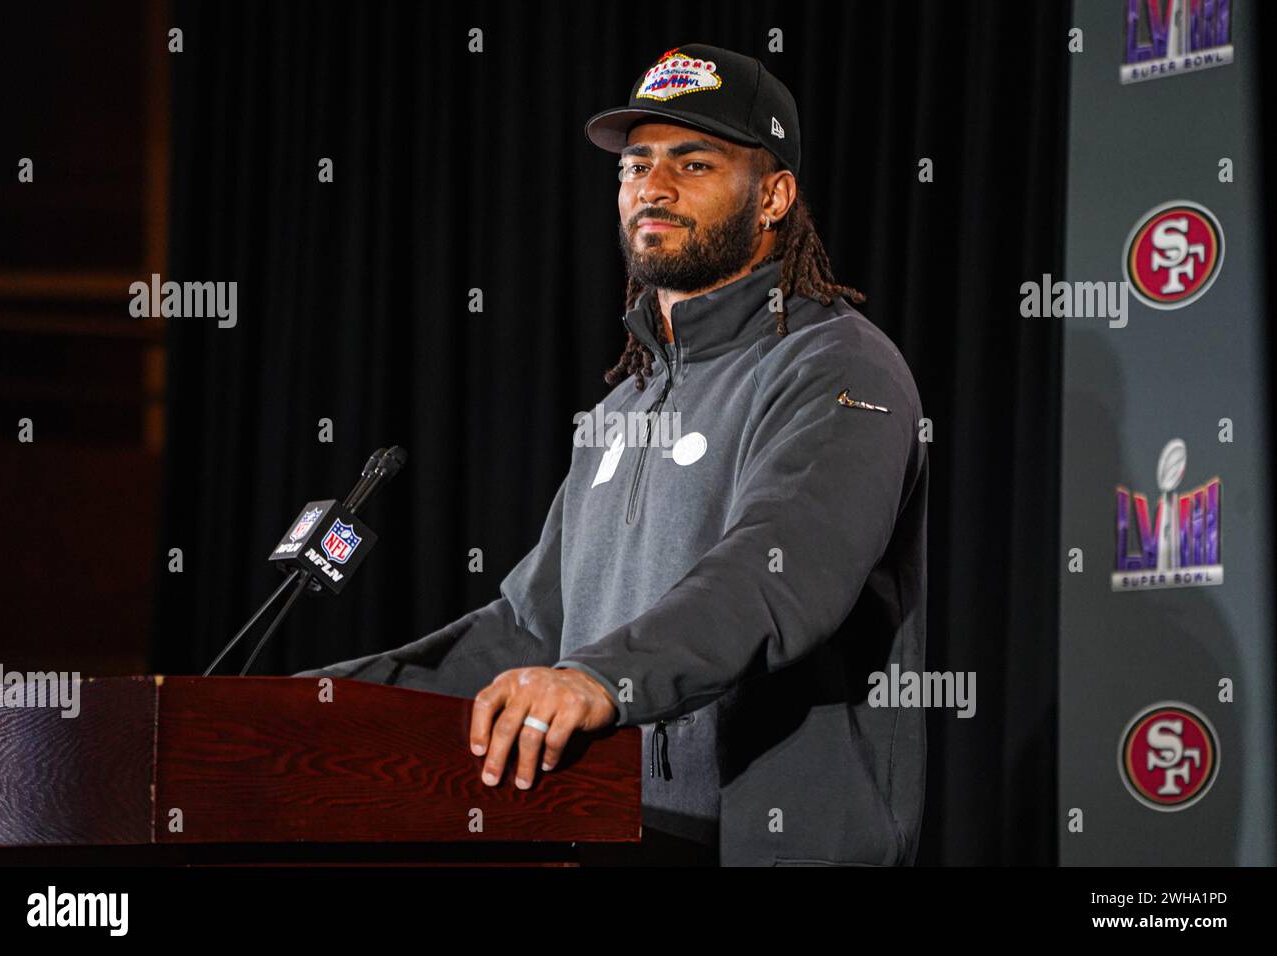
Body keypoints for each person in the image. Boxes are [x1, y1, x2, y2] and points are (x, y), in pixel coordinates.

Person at [297, 42, 928, 867]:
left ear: (773, 195)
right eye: (635, 166)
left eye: (694, 163)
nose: (652, 188)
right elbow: (532, 627)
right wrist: (330, 701)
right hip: (612, 830)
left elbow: (777, 571)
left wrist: (598, 680)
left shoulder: (837, 365)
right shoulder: (622, 405)